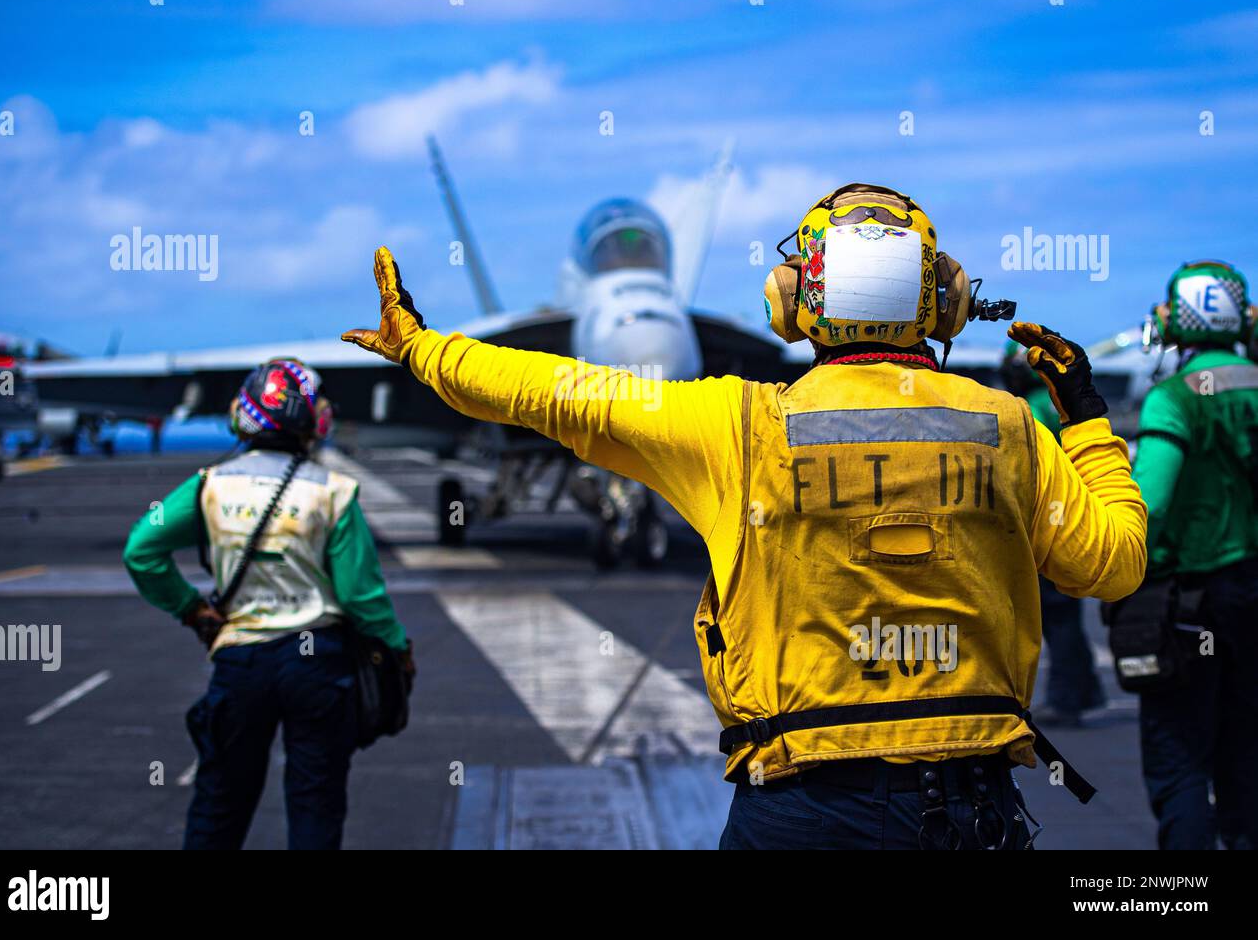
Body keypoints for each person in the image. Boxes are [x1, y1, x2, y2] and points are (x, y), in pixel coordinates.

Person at [343, 184, 1146, 850]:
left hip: (803, 811)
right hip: (972, 812)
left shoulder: (739, 426)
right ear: (940, 302)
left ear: (800, 300)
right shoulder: (1009, 430)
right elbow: (1114, 566)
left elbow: (556, 392)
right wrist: (1086, 422)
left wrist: (423, 348)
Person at [122, 358, 411, 850]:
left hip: (241, 662)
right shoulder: (333, 493)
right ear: (311, 419)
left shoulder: (209, 486)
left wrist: (192, 610)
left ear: (245, 414)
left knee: (218, 806)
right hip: (318, 666)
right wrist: (398, 649)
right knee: (315, 807)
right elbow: (362, 596)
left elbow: (141, 551)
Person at [1128, 261, 1258, 850]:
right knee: (1248, 751)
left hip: (1190, 606)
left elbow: (1147, 504)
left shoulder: (1174, 397)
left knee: (1181, 756)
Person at [1001, 344, 1105, 726]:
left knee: (1056, 618)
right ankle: (1082, 689)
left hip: (1042, 524)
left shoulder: (1029, 409)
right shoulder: (1048, 403)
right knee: (1066, 618)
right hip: (1061, 519)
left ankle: (1067, 697)